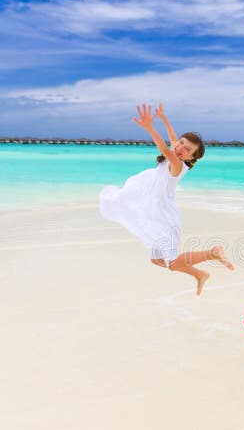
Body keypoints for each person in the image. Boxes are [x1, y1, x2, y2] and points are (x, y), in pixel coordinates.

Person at [99, 103, 233, 295]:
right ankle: (199, 274)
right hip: (155, 216)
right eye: (181, 143)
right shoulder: (176, 153)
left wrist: (150, 128)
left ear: (191, 158)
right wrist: (163, 118)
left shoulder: (177, 165)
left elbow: (165, 148)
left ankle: (212, 252)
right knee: (156, 260)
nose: (180, 148)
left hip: (165, 220)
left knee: (172, 262)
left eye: (187, 150)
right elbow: (172, 139)